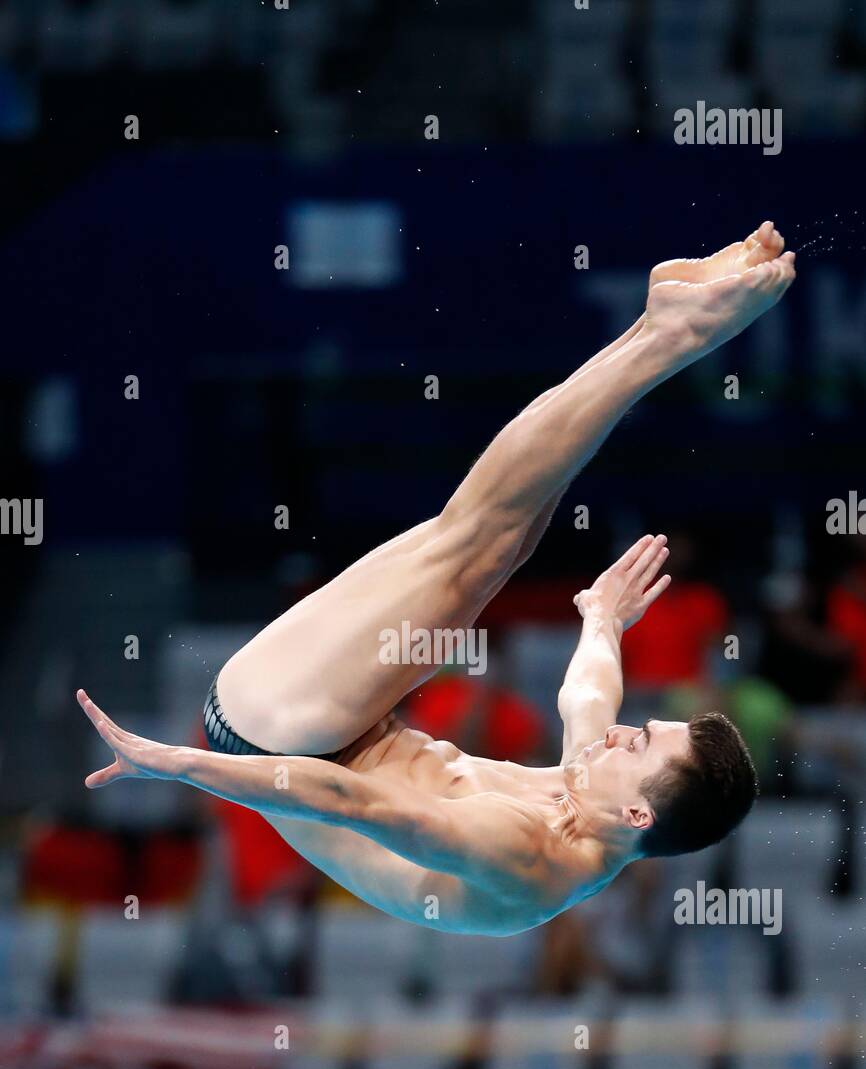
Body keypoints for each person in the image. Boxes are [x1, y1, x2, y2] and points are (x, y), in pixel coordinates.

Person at [76, 225, 796, 936]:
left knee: (471, 543)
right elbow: (588, 699)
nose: (618, 738)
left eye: (637, 746)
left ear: (639, 814)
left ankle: (668, 336)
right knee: (499, 547)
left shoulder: (530, 854)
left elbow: (352, 804)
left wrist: (176, 764)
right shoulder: (596, 796)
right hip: (337, 728)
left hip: (275, 738)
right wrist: (602, 621)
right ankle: (654, 324)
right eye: (639, 731)